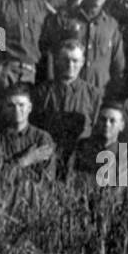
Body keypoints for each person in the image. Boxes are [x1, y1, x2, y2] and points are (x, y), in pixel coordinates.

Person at [42, 0, 125, 100]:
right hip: (66, 93)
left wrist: (114, 93)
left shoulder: (111, 26)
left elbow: (118, 64)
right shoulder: (65, 20)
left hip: (98, 94)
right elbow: (49, 54)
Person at [33, 39, 101, 167]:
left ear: (82, 63)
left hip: (79, 158)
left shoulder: (93, 95)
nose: (70, 65)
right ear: (57, 61)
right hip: (47, 157)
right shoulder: (42, 92)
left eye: (75, 61)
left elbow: (97, 130)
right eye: (66, 60)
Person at [0, 87, 57, 181]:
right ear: (4, 109)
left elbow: (47, 179)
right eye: (10, 105)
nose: (16, 110)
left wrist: (9, 169)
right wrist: (26, 160)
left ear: (30, 108)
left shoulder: (42, 138)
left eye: (21, 105)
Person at [69, 101, 127, 180]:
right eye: (103, 119)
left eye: (112, 121)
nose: (107, 124)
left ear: (122, 126)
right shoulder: (82, 147)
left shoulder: (125, 156)